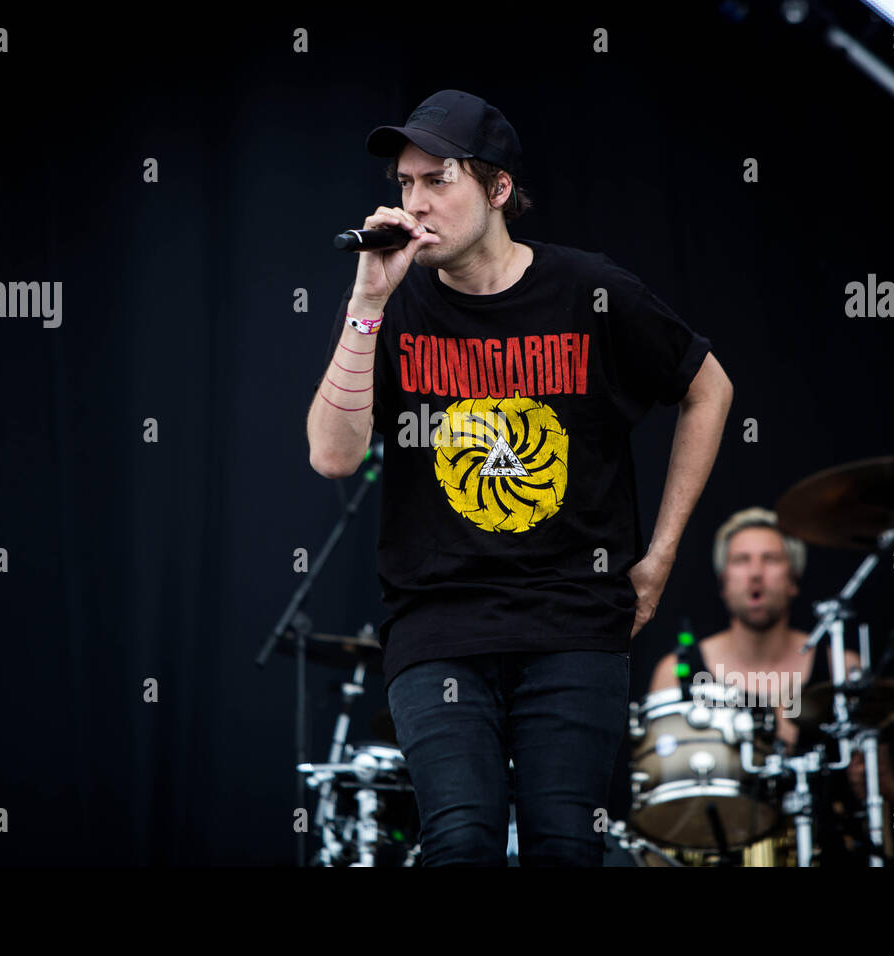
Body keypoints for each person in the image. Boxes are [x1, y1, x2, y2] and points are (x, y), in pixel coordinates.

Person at [306, 90, 733, 866]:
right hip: (439, 622)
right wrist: (368, 299)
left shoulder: (588, 290)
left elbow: (709, 387)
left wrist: (662, 553)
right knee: (461, 841)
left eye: (438, 180)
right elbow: (334, 455)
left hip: (572, 618)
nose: (415, 201)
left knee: (565, 846)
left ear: (498, 189)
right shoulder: (391, 304)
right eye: (404, 183)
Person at [649, 507, 894, 858]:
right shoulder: (676, 672)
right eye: (741, 560)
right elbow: (657, 810)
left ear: (793, 580)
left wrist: (872, 781)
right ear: (723, 582)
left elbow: (890, 801)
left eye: (770, 559)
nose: (756, 573)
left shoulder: (843, 669)